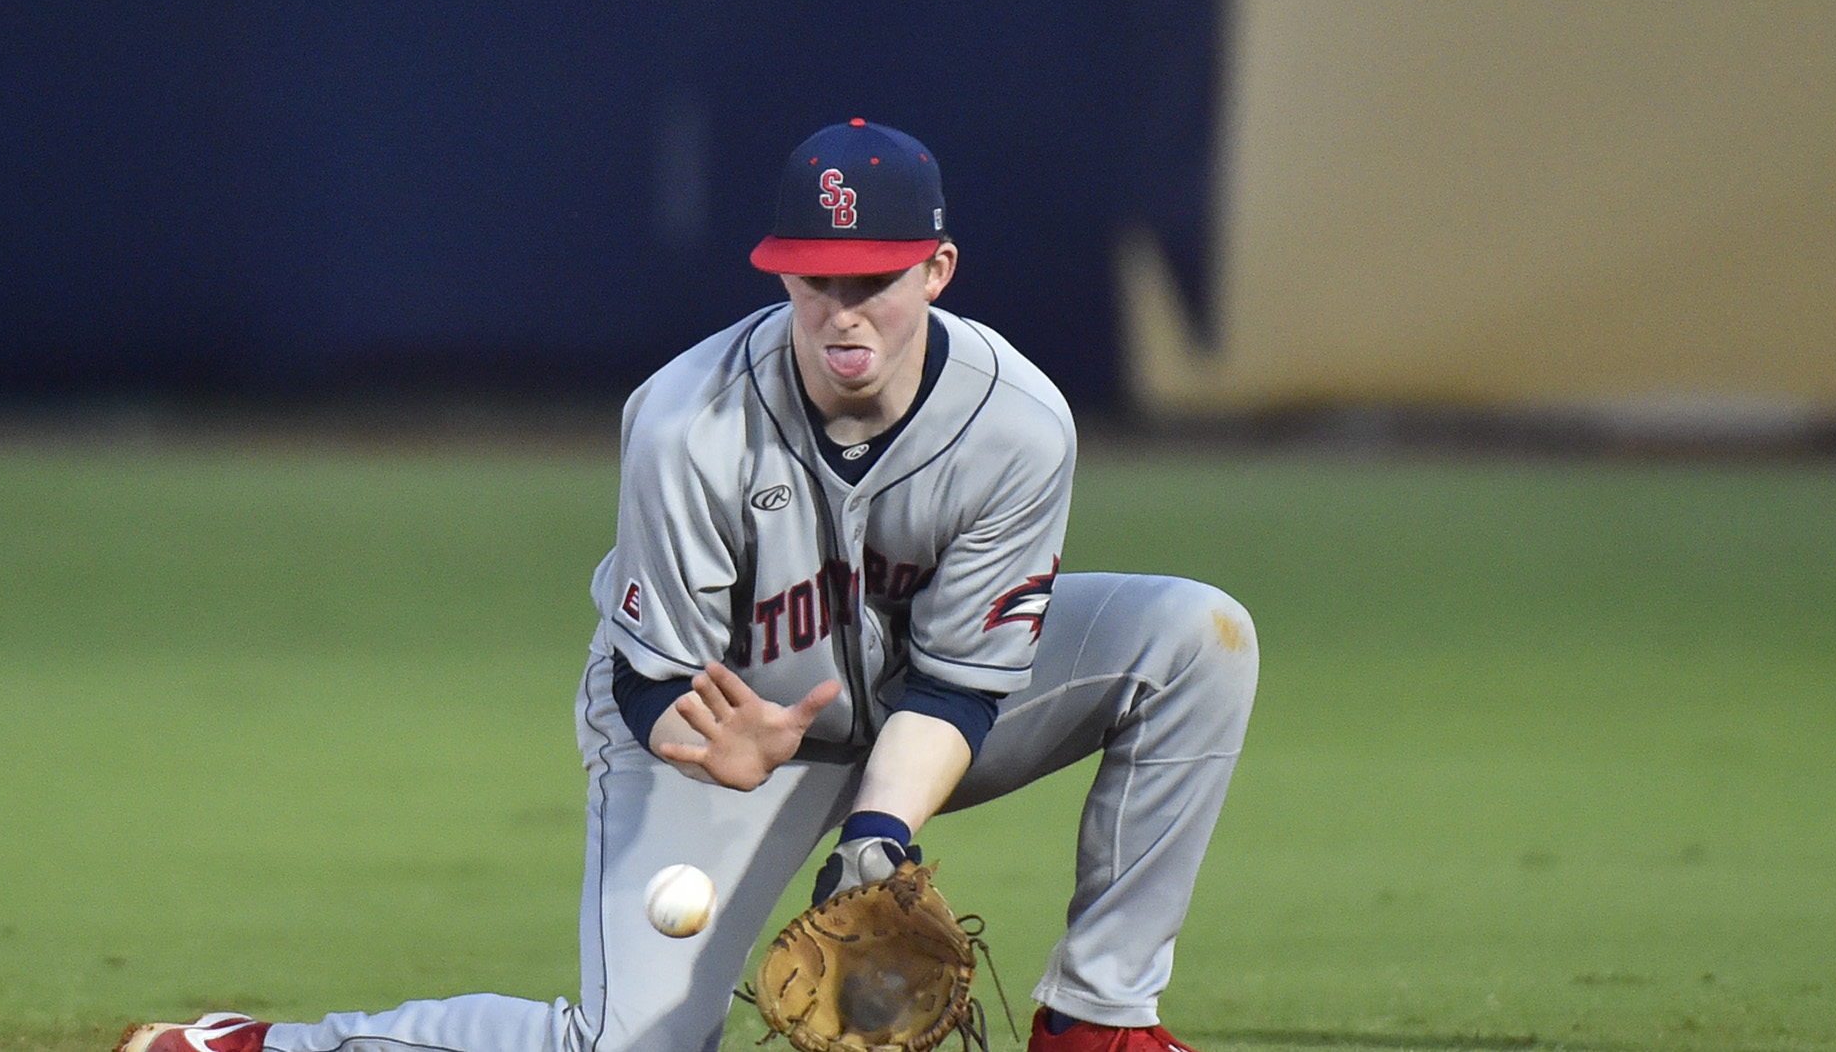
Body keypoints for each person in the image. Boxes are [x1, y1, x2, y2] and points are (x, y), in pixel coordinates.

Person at [116, 119, 1258, 1052]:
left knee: (1194, 639)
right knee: (627, 1050)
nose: (840, 311)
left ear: (938, 272)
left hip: (918, 727)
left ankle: (1097, 1023)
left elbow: (959, 684)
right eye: (812, 281)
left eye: (873, 278)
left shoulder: (1016, 423)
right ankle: (250, 1049)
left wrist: (876, 839)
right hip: (711, 732)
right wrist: (692, 736)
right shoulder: (685, 422)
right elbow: (651, 674)